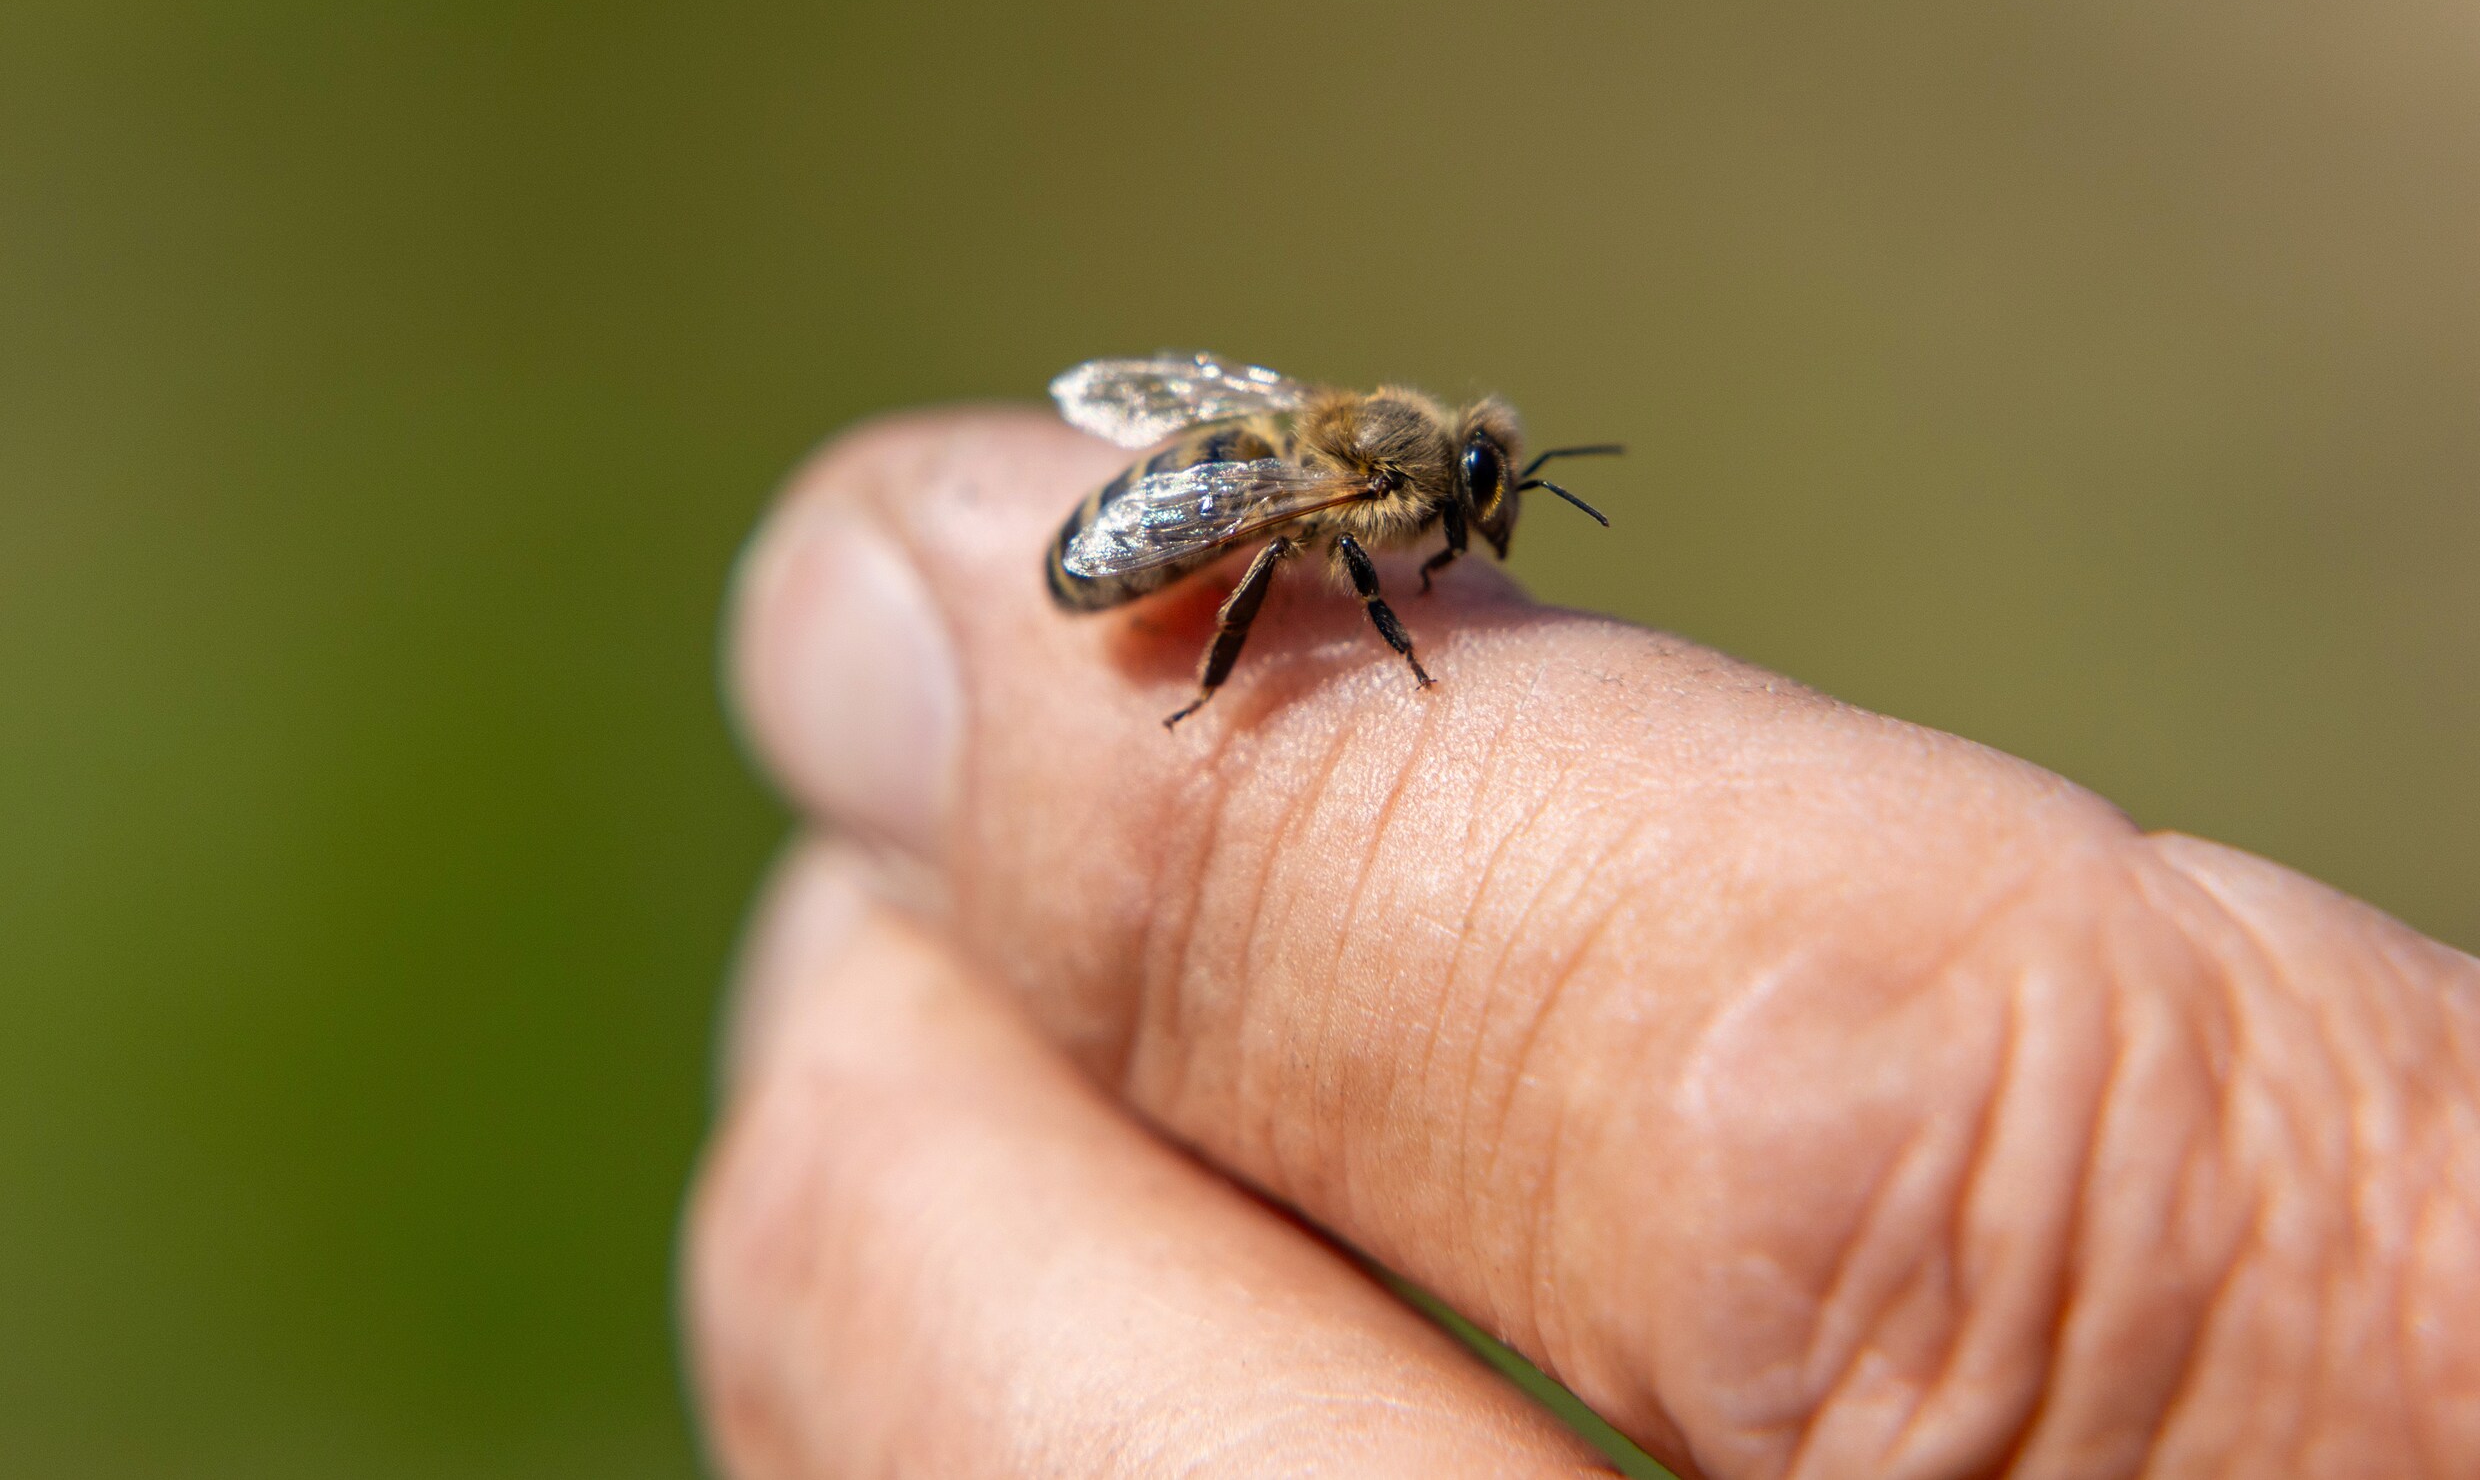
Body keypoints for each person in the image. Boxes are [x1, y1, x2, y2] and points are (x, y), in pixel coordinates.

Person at [686, 409, 2480, 1478]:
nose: (1480, 520)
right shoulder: (1334, 511)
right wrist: (1359, 662)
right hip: (1138, 566)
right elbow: (1312, 549)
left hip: (1162, 500)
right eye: (1470, 497)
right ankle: (1176, 714)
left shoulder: (1341, 443)